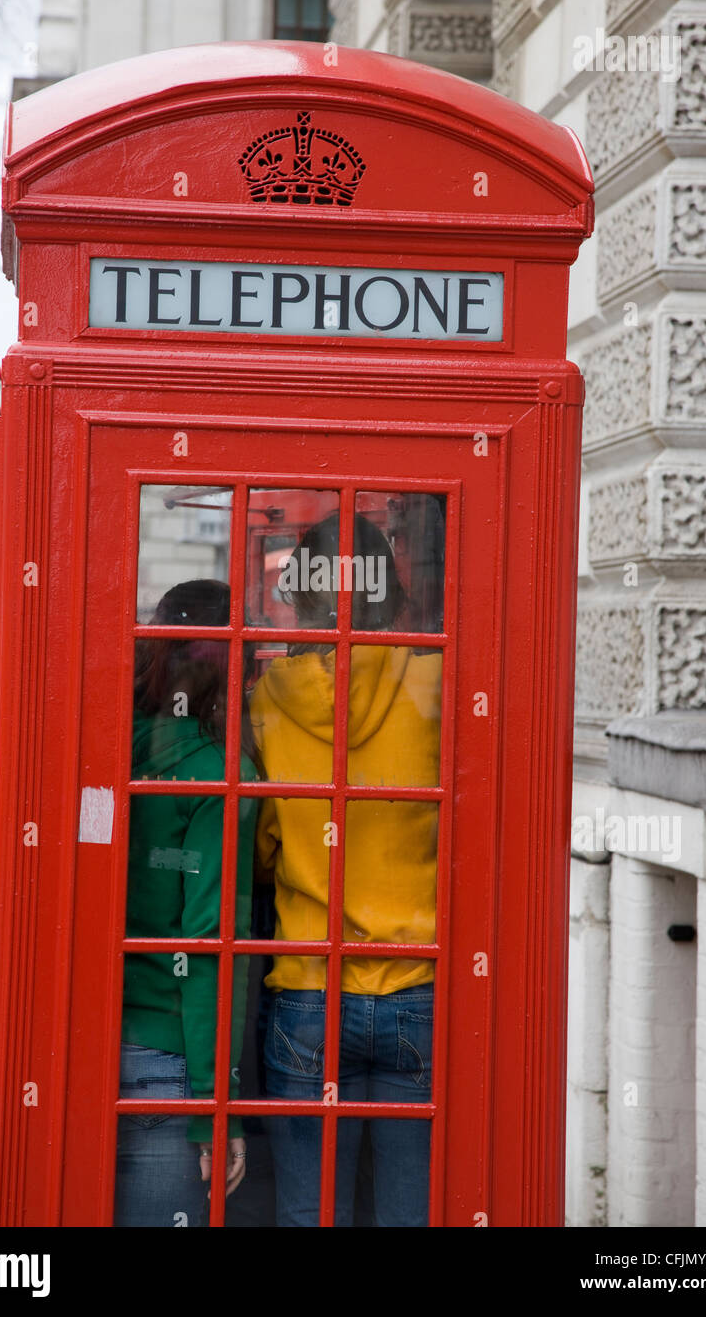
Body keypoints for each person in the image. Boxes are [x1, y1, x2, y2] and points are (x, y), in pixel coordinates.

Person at [249, 512, 442, 1227]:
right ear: (388, 588)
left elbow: (262, 848)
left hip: (307, 990)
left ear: (300, 594)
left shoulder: (268, 702)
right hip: (415, 984)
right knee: (405, 1211)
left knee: (307, 1212)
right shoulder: (435, 688)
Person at [115, 579, 258, 1227]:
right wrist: (214, 1108)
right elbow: (207, 948)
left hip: (96, 1044)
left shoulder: (115, 741)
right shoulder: (221, 773)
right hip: (171, 1062)